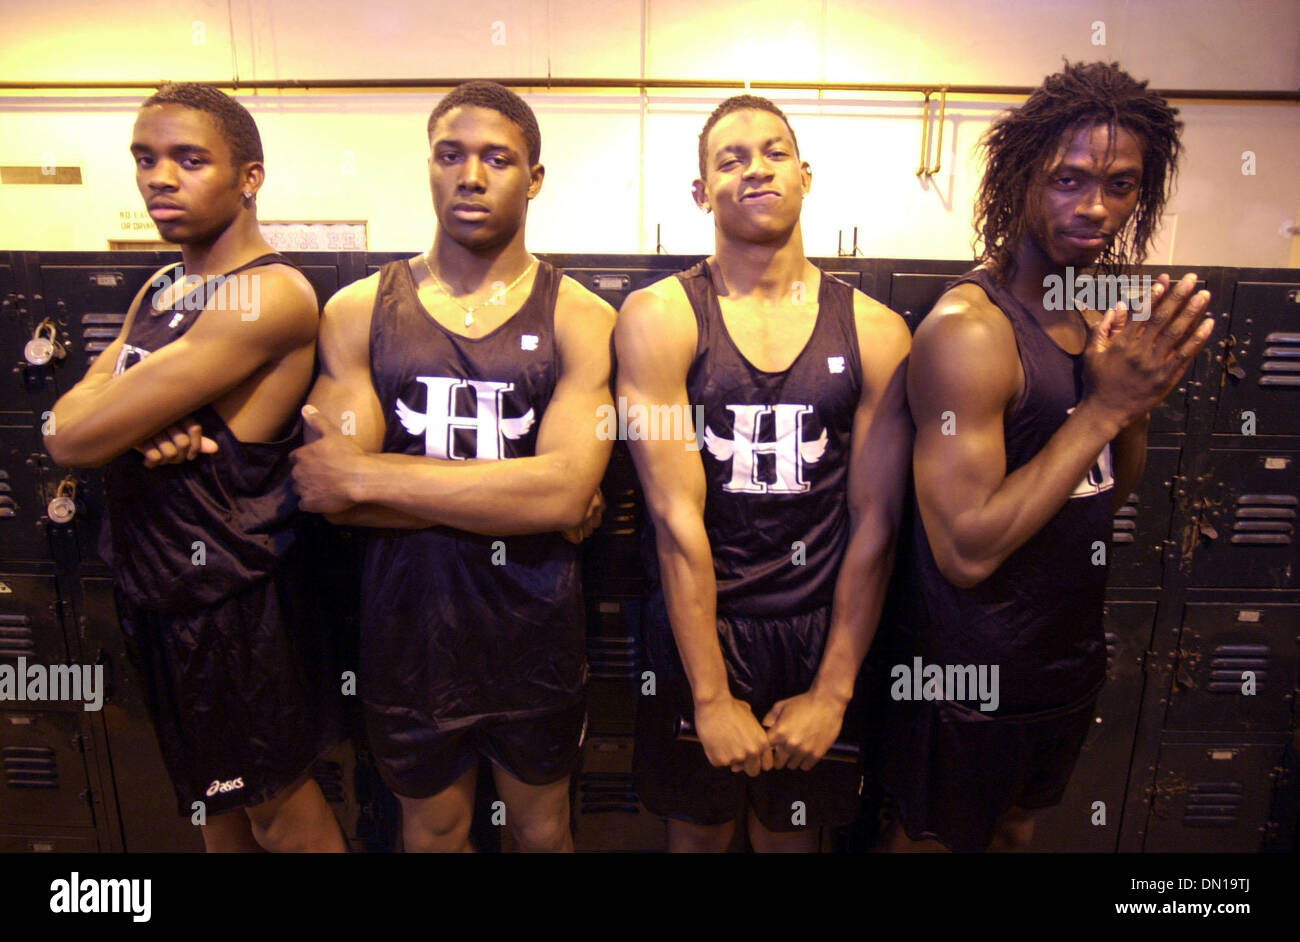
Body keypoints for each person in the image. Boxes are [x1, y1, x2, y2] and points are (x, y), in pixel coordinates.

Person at [880, 60, 1214, 853]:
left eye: (1122, 185)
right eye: (1068, 179)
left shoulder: (1093, 312)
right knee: (934, 842)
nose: (1095, 206)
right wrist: (1104, 406)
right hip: (967, 679)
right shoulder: (971, 331)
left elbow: (1106, 494)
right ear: (1021, 175)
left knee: (1017, 834)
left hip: (1061, 664)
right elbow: (965, 550)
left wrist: (1128, 413)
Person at [288, 80, 614, 853]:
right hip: (409, 633)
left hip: (535, 633)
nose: (471, 175)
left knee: (542, 832)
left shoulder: (581, 315)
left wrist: (372, 474)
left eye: (497, 159)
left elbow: (566, 491)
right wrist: (523, 496)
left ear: (533, 179)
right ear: (429, 167)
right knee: (433, 833)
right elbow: (329, 496)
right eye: (450, 155)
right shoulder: (359, 310)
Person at [43, 82, 345, 852]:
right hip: (156, 590)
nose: (159, 178)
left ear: (249, 177)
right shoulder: (164, 284)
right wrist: (121, 415)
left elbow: (74, 441)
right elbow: (68, 415)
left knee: (278, 812)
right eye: (145, 159)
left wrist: (114, 417)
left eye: (189, 159)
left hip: (231, 602)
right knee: (214, 808)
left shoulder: (270, 295)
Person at [619, 95, 912, 852]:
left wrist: (833, 692)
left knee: (794, 842)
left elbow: (875, 525)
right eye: (731, 158)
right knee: (700, 840)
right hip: (699, 630)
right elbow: (674, 522)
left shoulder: (878, 332)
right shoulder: (661, 317)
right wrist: (711, 696)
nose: (756, 169)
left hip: (818, 632)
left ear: (805, 176)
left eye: (775, 152)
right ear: (700, 192)